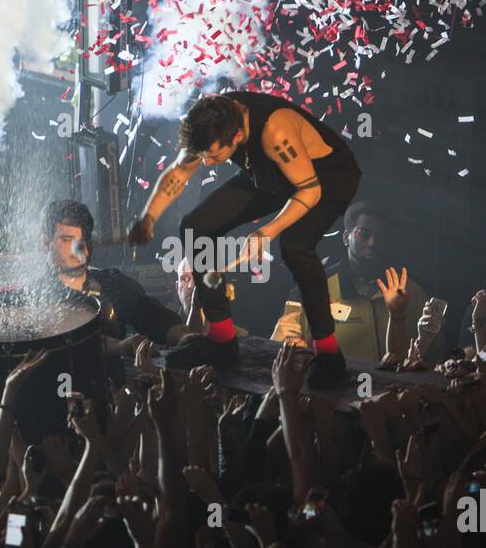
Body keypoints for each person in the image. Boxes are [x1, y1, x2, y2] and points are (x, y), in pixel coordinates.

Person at [127, 91, 361, 387]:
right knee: (195, 226)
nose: (208, 164)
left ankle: (328, 354)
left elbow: (309, 192)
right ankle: (221, 339)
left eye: (214, 155)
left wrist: (266, 231)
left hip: (324, 179)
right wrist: (149, 216)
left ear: (238, 135)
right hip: (270, 173)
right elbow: (178, 174)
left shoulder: (276, 130)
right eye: (203, 155)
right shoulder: (209, 122)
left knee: (294, 245)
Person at [269, 200, 437, 363]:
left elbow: (430, 355)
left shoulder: (411, 292)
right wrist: (276, 343)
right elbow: (283, 348)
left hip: (396, 389)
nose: (373, 242)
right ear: (346, 237)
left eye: (381, 236)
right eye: (364, 233)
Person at [41, 200, 190, 352]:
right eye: (67, 240)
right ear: (46, 242)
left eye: (84, 239)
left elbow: (155, 317)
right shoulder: (36, 300)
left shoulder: (112, 283)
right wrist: (119, 347)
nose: (80, 250)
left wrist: (185, 337)